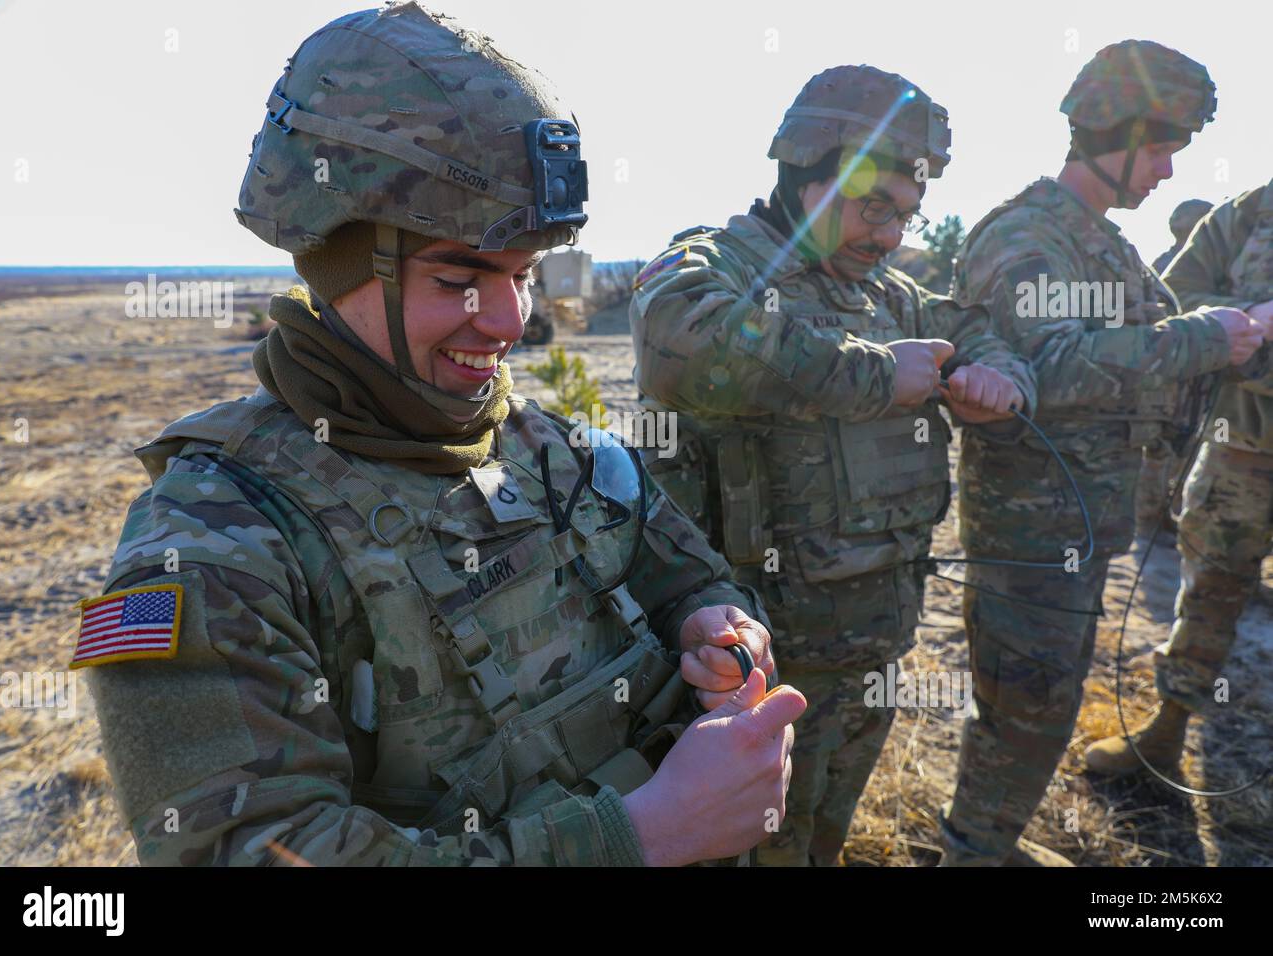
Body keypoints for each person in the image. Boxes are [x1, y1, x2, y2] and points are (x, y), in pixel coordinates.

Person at [75, 2, 805, 867]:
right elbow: (248, 853)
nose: (508, 319)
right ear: (339, 265)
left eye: (524, 275)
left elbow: (694, 581)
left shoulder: (557, 451)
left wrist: (716, 631)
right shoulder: (209, 546)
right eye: (460, 276)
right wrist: (635, 837)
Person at [629, 65, 1036, 866]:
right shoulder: (722, 263)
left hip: (874, 650)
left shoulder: (893, 295)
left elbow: (981, 334)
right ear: (806, 174)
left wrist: (998, 380)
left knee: (824, 836)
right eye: (872, 206)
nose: (888, 235)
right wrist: (877, 376)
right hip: (751, 663)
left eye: (905, 216)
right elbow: (676, 335)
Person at [940, 39, 1272, 866]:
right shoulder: (1029, 235)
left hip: (1076, 527)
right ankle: (973, 852)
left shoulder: (1098, 239)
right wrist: (1205, 338)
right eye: (1158, 150)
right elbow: (1050, 364)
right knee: (1025, 707)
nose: (1165, 173)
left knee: (1038, 707)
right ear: (1111, 135)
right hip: (1030, 533)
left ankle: (985, 843)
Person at [1086, 179, 1273, 776]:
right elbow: (1181, 295)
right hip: (1246, 444)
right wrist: (1255, 332)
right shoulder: (1253, 211)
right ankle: (1166, 732)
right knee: (1210, 588)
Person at [1136, 197, 1217, 538]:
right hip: (1175, 374)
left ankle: (1161, 514)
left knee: (1174, 445)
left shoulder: (1167, 263)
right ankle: (1152, 518)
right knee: (1164, 447)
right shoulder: (1183, 266)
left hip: (1183, 374)